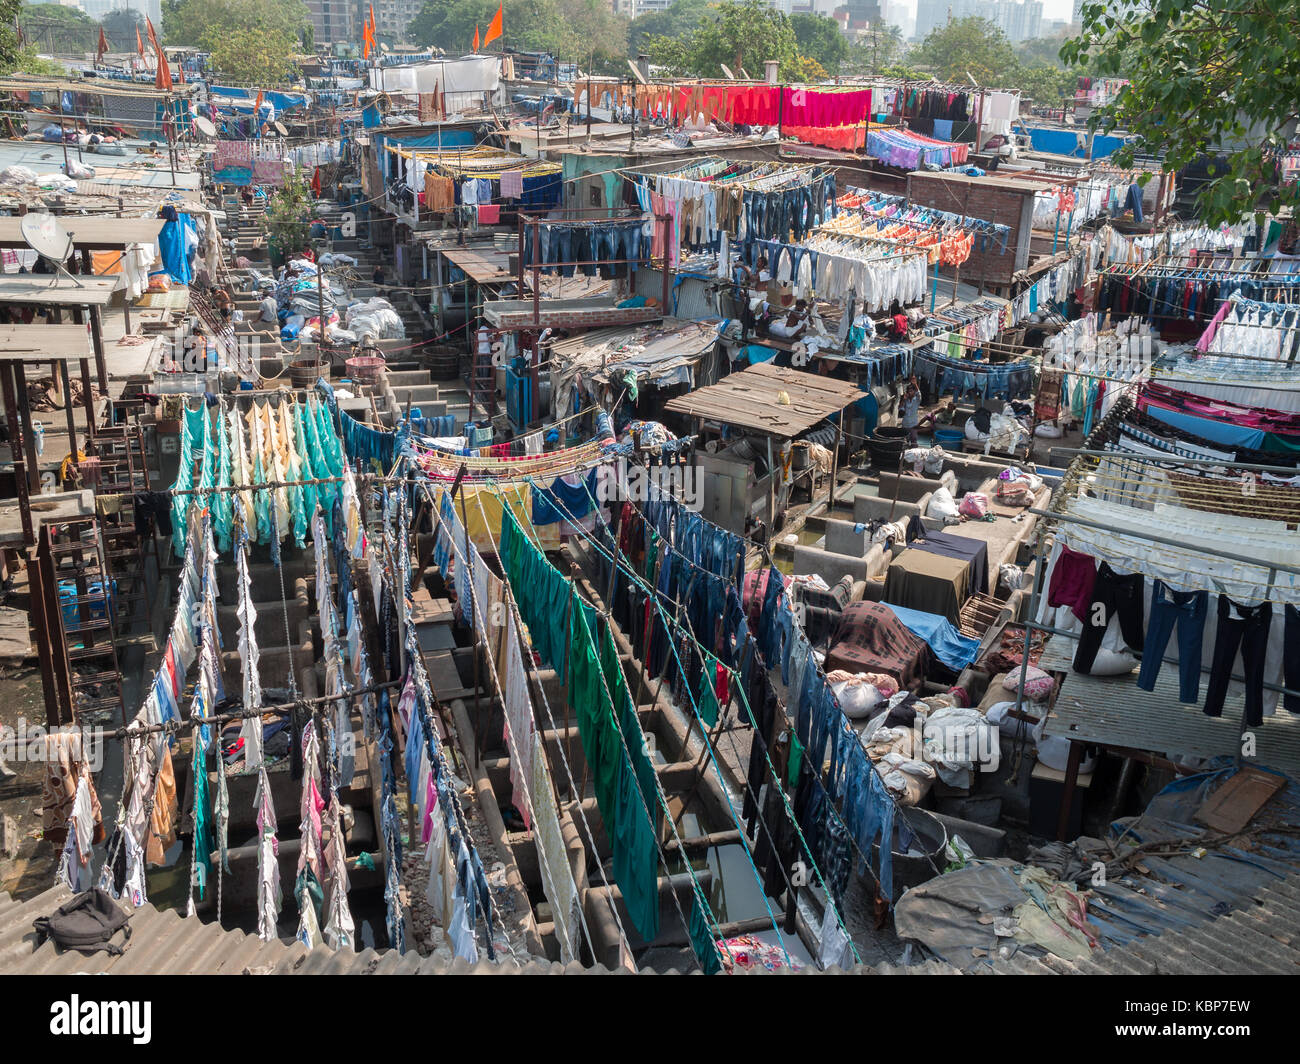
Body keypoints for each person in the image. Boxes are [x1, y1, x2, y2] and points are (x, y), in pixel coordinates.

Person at [900, 378, 922, 446]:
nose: (909, 392)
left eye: (911, 391)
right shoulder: (905, 400)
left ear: (914, 391)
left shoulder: (917, 400)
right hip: (905, 424)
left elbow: (919, 394)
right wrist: (903, 400)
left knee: (914, 442)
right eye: (908, 391)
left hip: (913, 424)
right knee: (904, 443)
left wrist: (915, 384)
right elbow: (901, 412)